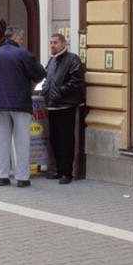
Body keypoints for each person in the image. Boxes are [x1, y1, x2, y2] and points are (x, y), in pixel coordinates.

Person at [0, 27, 46, 188]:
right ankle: (22, 177)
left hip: (0, 102)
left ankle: (2, 176)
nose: (22, 40)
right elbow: (39, 73)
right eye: (21, 37)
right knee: (22, 141)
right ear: (15, 37)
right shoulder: (23, 54)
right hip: (20, 101)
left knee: (2, 141)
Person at [42, 32, 85, 184]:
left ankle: (67, 172)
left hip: (66, 106)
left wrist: (59, 92)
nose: (52, 45)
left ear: (63, 44)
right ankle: (58, 170)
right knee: (55, 140)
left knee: (66, 140)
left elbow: (76, 81)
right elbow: (46, 77)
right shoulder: (52, 61)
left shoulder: (72, 59)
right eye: (51, 43)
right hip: (52, 106)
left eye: (55, 42)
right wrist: (45, 91)